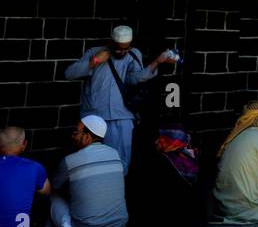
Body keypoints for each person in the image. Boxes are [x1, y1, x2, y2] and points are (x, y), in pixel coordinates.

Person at [64, 25, 175, 174]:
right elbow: (69, 74)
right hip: (94, 117)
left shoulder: (134, 54)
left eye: (125, 48)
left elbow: (135, 79)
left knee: (120, 161)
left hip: (122, 116)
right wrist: (95, 61)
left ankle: (116, 190)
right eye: (118, 48)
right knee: (90, 161)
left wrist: (157, 62)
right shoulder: (95, 52)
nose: (122, 52)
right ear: (111, 42)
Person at [46, 115, 129, 227]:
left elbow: (52, 187)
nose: (73, 136)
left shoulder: (70, 160)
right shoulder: (116, 154)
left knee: (50, 196)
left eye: (76, 133)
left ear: (88, 137)